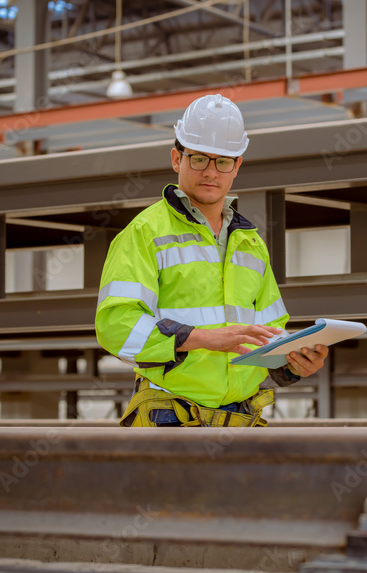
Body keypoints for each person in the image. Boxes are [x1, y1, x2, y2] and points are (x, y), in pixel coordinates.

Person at [95, 93, 328, 427]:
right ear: (177, 158)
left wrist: (294, 363)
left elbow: (267, 336)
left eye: (223, 161)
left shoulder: (250, 243)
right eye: (199, 158)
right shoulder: (144, 233)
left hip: (240, 421)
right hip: (169, 417)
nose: (211, 172)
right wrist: (206, 338)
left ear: (237, 166)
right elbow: (116, 326)